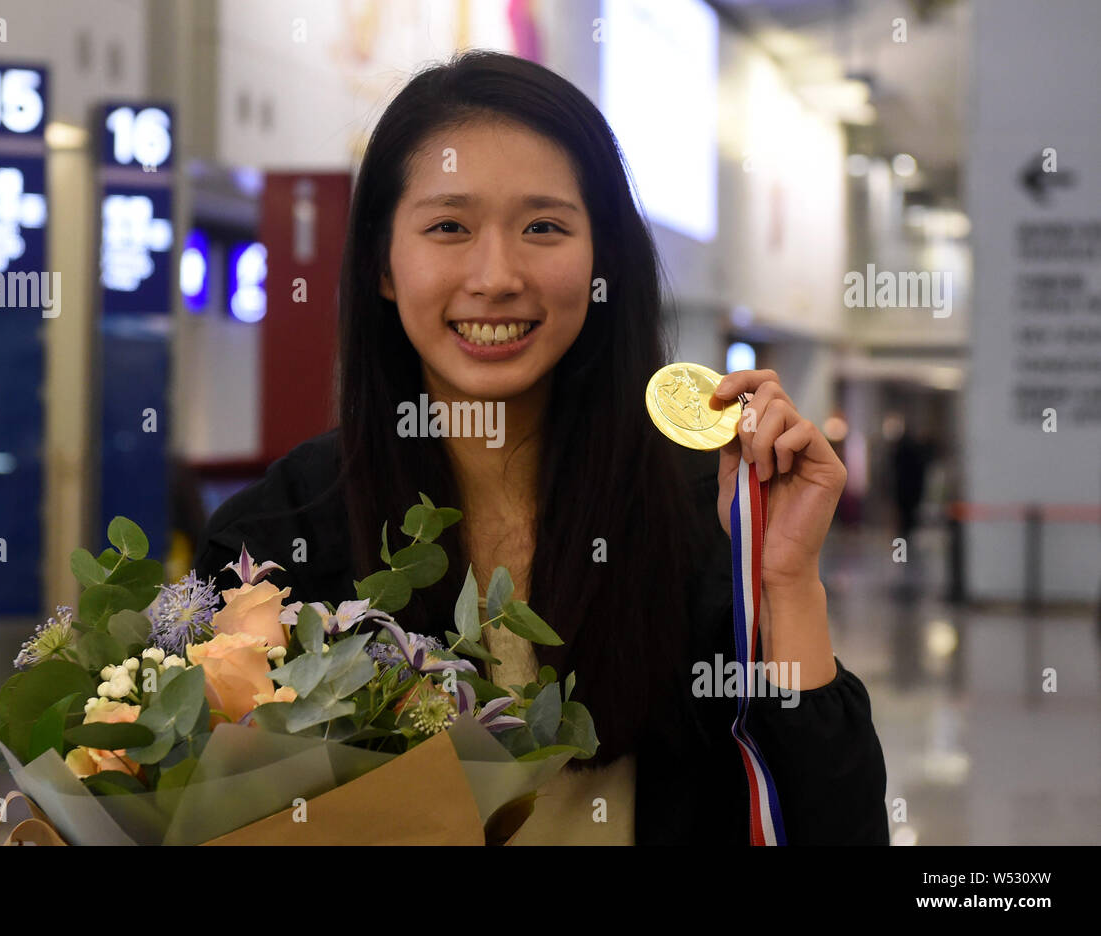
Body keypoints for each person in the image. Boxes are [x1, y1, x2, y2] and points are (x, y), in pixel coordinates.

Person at [195, 50, 887, 845]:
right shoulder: (279, 538)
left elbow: (835, 829)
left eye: (544, 227)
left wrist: (784, 580)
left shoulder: (707, 510)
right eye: (449, 226)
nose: (496, 276)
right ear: (384, 263)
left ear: (604, 261)